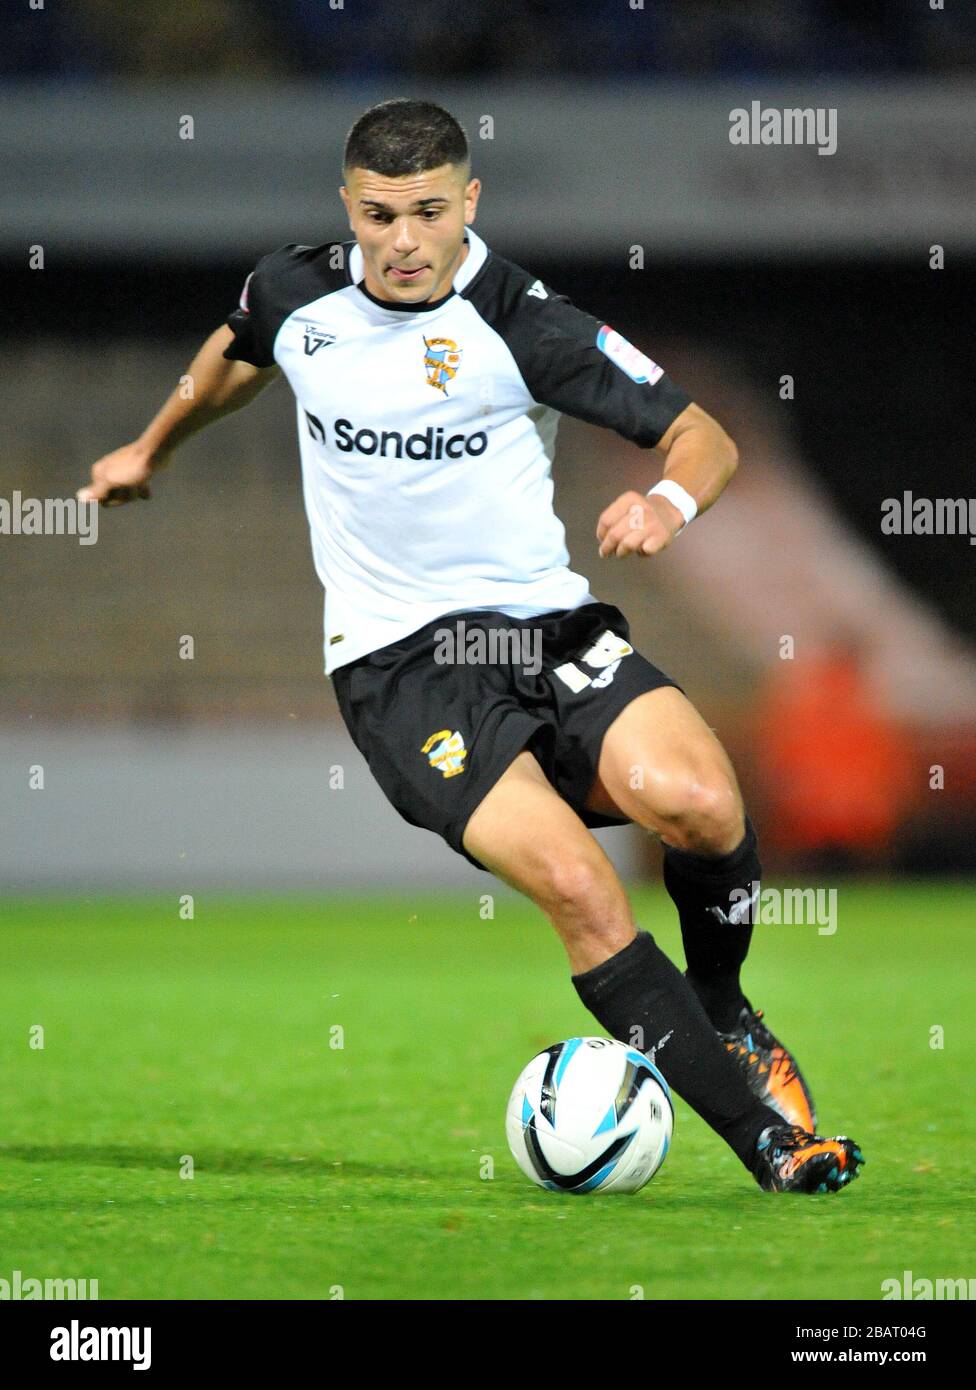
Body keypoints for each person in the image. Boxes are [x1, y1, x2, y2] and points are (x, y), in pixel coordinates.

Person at [78, 98, 863, 1193]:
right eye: (379, 215)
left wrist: (668, 506)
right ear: (347, 207)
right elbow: (236, 351)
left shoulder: (523, 322)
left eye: (428, 212)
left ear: (470, 204)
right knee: (585, 891)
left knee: (703, 804)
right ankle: (773, 1146)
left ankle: (723, 1007)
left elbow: (704, 434)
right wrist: (151, 443)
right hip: (401, 667)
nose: (402, 241)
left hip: (543, 624)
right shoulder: (296, 290)